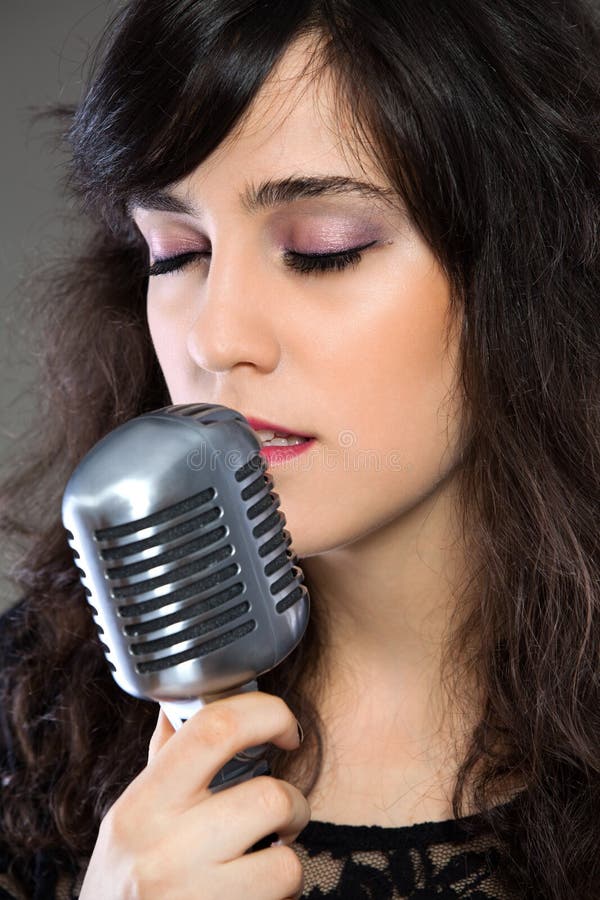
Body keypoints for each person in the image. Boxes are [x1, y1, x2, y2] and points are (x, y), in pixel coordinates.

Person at [0, 0, 598, 897]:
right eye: (176, 253)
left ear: (522, 272)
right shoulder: (32, 717)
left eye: (324, 249)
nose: (216, 335)